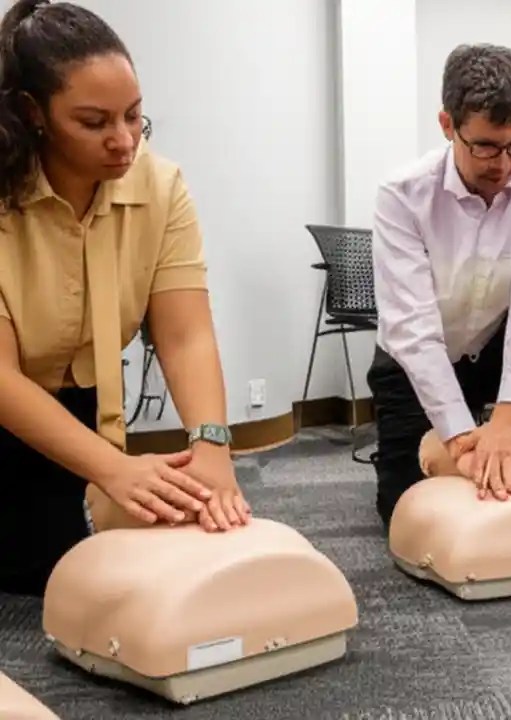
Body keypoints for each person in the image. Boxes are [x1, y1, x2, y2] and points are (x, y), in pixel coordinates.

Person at [0, 0, 249, 597]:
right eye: (94, 122)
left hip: (82, 410)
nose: (124, 141)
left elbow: (185, 333)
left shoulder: (160, 186)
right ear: (34, 113)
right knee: (29, 580)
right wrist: (113, 470)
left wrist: (211, 447)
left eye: (135, 117)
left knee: (119, 555)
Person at [367, 43, 511, 527]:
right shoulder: (403, 196)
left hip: (493, 345)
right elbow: (413, 329)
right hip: (416, 363)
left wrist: (509, 420)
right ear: (447, 125)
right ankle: (478, 460)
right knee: (402, 508)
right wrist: (457, 437)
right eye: (487, 147)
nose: (504, 163)